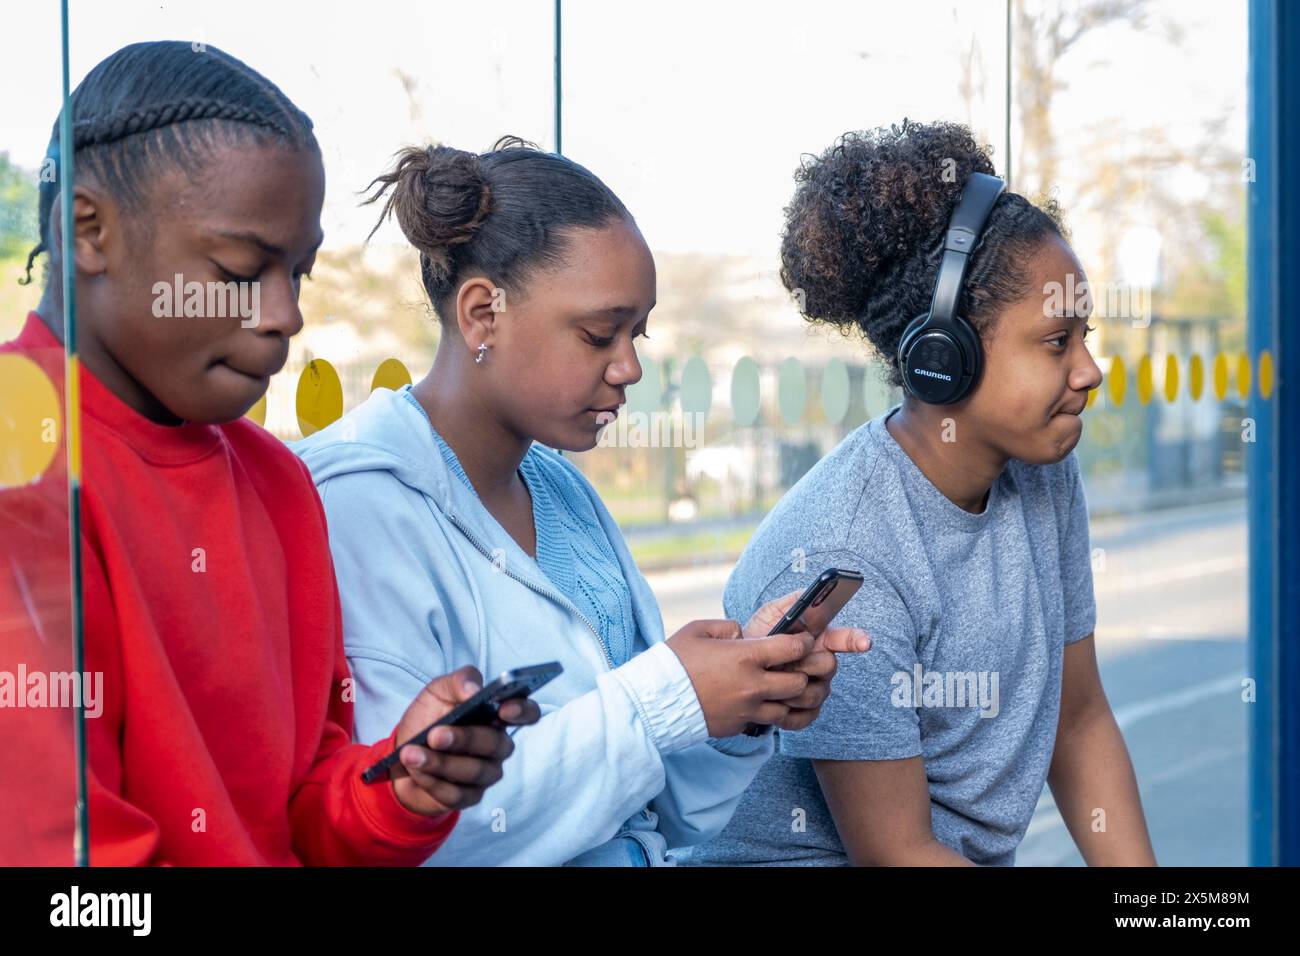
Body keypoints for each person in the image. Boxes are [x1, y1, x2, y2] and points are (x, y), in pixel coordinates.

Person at [0, 41, 535, 867]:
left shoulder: (277, 482)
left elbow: (305, 810)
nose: (284, 314)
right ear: (88, 230)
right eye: (241, 270)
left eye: (299, 273)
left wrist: (399, 786)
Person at [293, 137, 871, 866]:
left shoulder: (562, 492)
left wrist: (738, 706)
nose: (629, 366)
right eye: (600, 334)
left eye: (638, 333)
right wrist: (663, 696)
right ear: (481, 315)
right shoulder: (357, 509)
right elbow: (424, 828)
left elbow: (657, 806)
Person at [685, 120, 1156, 866]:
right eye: (1057, 341)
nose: (1090, 369)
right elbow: (899, 853)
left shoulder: (1041, 466)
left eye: (1085, 335)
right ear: (944, 358)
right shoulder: (851, 548)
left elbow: (1080, 719)